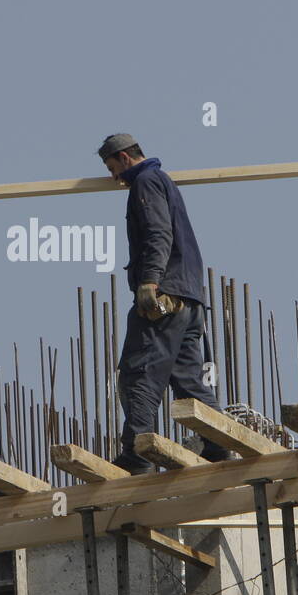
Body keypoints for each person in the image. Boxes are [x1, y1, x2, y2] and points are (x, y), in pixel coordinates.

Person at [97, 133, 232, 474]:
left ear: (126, 158)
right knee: (186, 379)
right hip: (189, 300)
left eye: (114, 169)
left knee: (139, 371)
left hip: (165, 297)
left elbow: (159, 233)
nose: (115, 178)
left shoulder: (145, 181)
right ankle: (219, 443)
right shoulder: (163, 181)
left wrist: (150, 282)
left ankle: (138, 453)